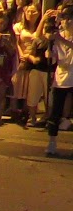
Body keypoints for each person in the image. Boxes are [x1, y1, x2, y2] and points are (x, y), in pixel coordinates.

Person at [44, 10, 73, 157]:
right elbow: (54, 56)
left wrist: (59, 40)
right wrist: (50, 54)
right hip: (61, 77)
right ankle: (52, 141)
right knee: (55, 111)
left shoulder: (61, 38)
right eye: (64, 19)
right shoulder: (57, 37)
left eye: (69, 19)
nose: (66, 22)